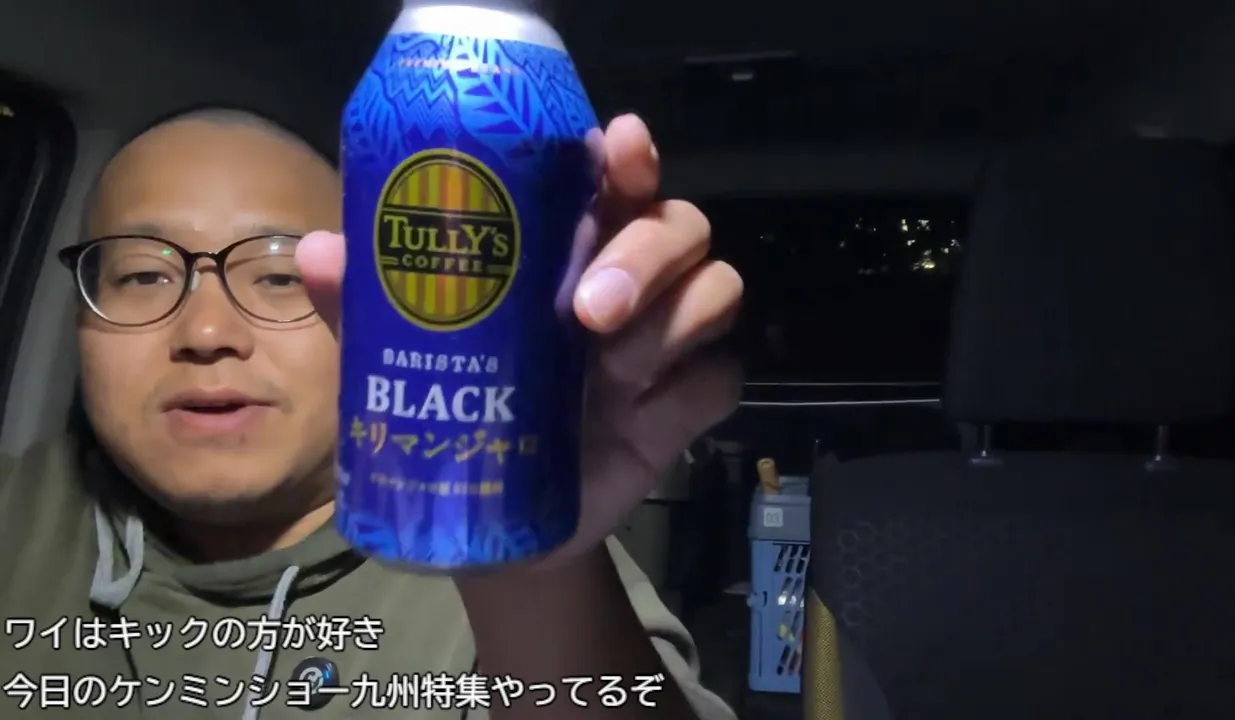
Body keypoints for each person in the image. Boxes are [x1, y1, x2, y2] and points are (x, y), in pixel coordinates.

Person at [0, 107, 743, 719]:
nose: (206, 331)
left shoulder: (501, 555)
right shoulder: (16, 518)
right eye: (142, 275)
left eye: (280, 276)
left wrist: (531, 568)